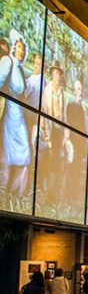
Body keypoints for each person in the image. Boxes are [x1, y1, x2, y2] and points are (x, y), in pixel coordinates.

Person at [0, 30, 33, 196]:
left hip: (18, 116)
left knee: (24, 154)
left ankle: (17, 192)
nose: (22, 51)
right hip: (8, 115)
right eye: (19, 48)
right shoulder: (8, 62)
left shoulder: (20, 69)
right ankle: (5, 191)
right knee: (7, 155)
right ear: (14, 48)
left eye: (23, 48)